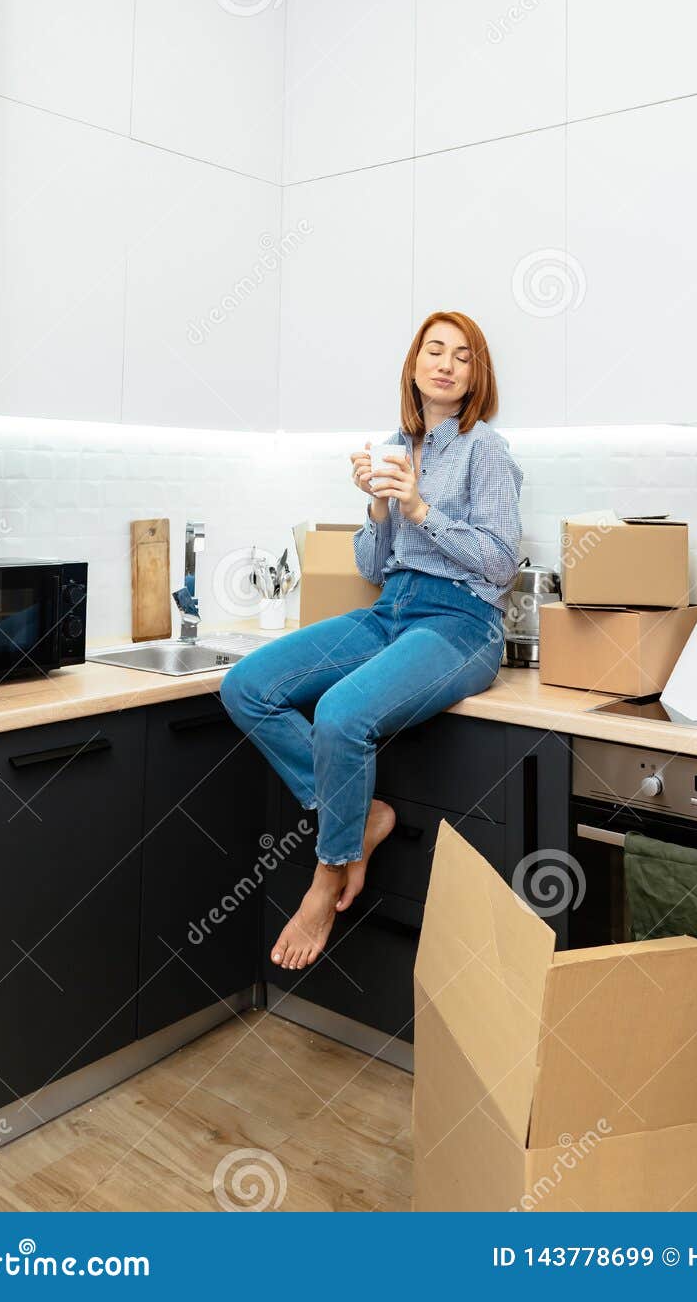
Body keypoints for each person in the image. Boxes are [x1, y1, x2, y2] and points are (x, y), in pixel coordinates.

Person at [219, 310, 523, 971]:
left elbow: (501, 561)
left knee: (340, 713)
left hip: (462, 624)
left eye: (462, 356)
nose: (445, 363)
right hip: (393, 609)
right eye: (433, 350)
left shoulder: (485, 449)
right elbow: (368, 564)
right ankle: (360, 814)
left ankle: (327, 877)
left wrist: (420, 509)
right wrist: (378, 508)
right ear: (413, 366)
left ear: (477, 377)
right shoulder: (394, 445)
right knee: (247, 686)